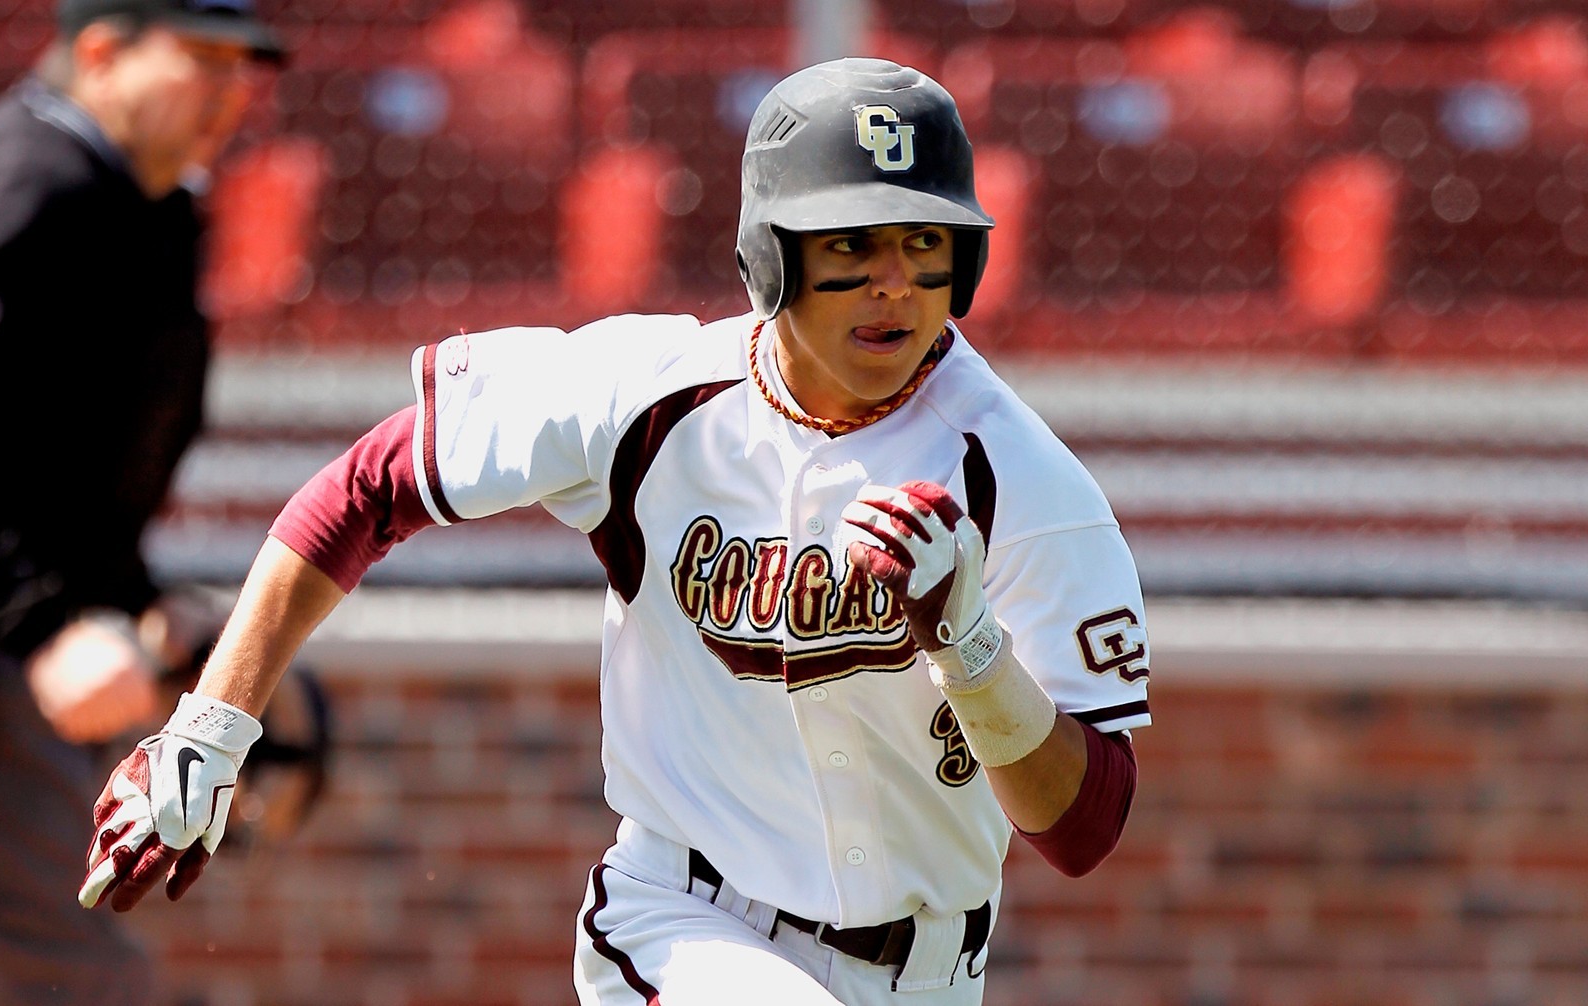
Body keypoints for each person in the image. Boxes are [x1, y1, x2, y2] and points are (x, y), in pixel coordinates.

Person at [79, 58, 1152, 1005]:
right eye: (852, 241)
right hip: (684, 923)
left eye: (924, 244)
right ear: (769, 256)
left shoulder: (1017, 474)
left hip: (933, 971)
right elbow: (367, 488)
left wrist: (970, 648)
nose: (892, 284)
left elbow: (1082, 826)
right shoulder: (648, 394)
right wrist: (213, 727)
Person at [0, 0, 282, 1001]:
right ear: (103, 52)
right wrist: (38, 627)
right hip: (1, 640)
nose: (230, 91)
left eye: (244, 67)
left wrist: (139, 603)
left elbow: (64, 463)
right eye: (201, 58)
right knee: (70, 975)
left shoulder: (142, 203)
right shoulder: (31, 182)